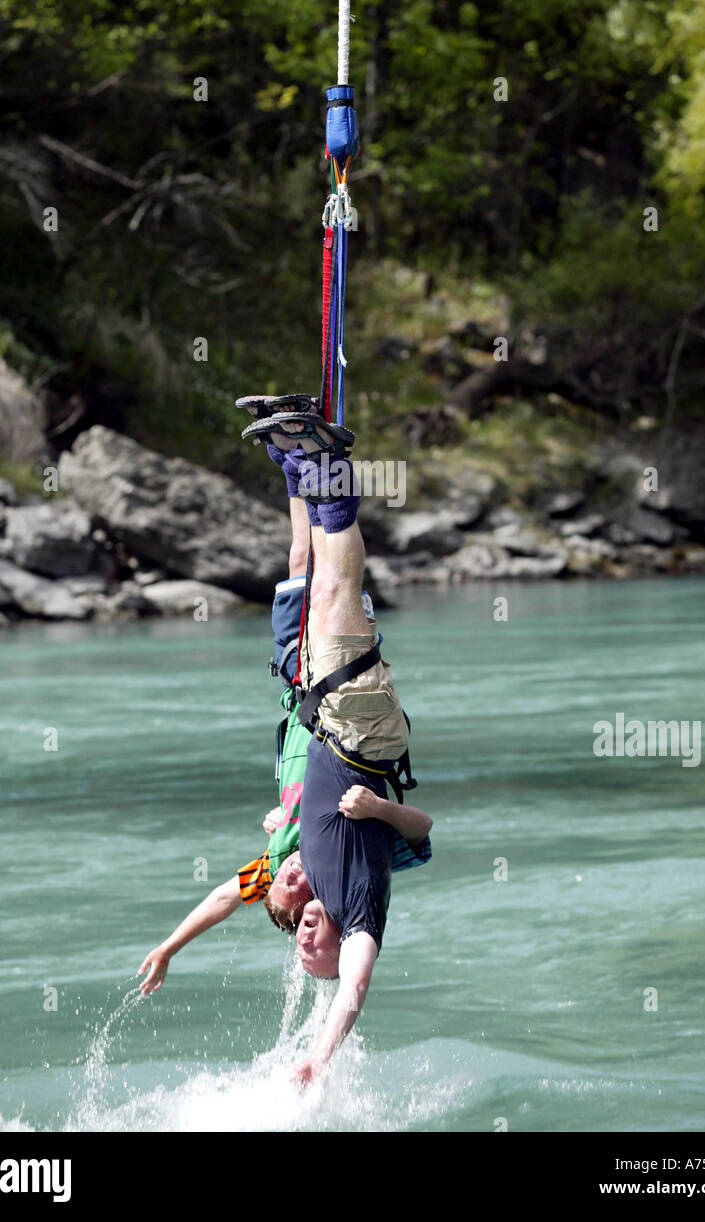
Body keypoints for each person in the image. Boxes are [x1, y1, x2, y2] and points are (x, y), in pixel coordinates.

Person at [137, 403, 431, 998]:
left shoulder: (279, 852)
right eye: (296, 894)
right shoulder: (341, 863)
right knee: (329, 584)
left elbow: (224, 897)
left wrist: (170, 945)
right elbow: (420, 832)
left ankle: (297, 464)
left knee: (303, 563)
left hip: (302, 693)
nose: (291, 879)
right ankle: (321, 465)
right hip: (339, 712)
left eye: (280, 886)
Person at [233, 396, 432, 1086]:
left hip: (330, 717)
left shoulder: (300, 862)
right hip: (361, 733)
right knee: (339, 591)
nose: (309, 940)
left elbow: (250, 887)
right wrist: (320, 1053)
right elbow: (352, 990)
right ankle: (327, 467)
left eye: (301, 942)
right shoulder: (361, 912)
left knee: (313, 576)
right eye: (314, 948)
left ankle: (299, 466)